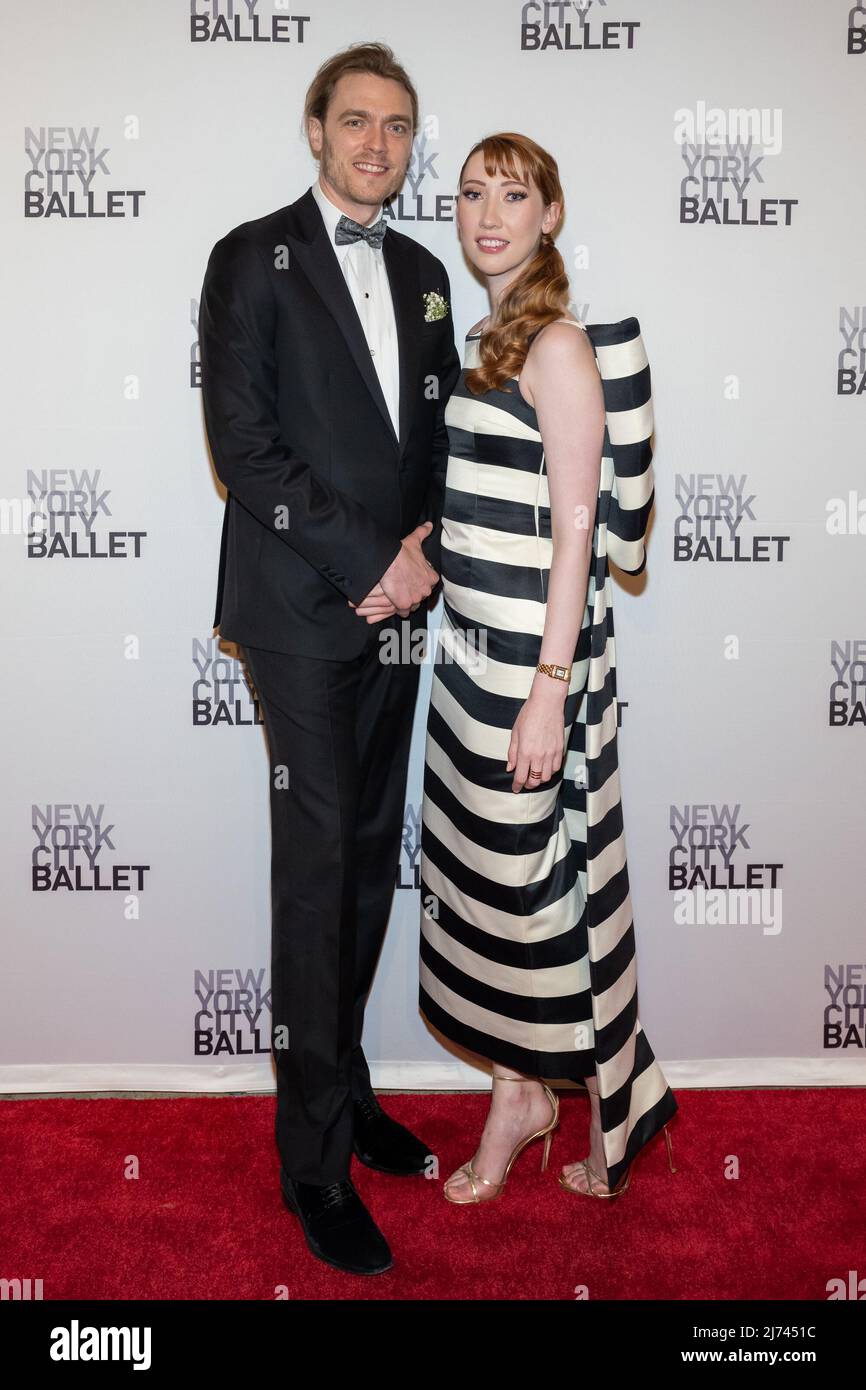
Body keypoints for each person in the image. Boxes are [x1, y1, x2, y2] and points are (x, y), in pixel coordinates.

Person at [198, 42, 461, 1274]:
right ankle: (308, 1166)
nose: (375, 145)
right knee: (315, 880)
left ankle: (344, 1094)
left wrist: (433, 551)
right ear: (314, 130)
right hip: (306, 615)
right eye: (354, 122)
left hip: (402, 609)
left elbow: (432, 438)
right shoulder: (251, 258)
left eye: (397, 127)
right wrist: (373, 560)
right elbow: (245, 452)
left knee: (365, 863)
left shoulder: (420, 274)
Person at [418, 132, 678, 1203]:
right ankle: (523, 1089)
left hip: (537, 669)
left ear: (549, 214)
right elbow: (479, 508)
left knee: (550, 898)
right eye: (471, 192)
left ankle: (590, 1097)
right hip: (469, 668)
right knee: (487, 895)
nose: (488, 212)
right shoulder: (483, 336)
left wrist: (547, 692)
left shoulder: (557, 346)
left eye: (512, 194)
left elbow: (577, 533)